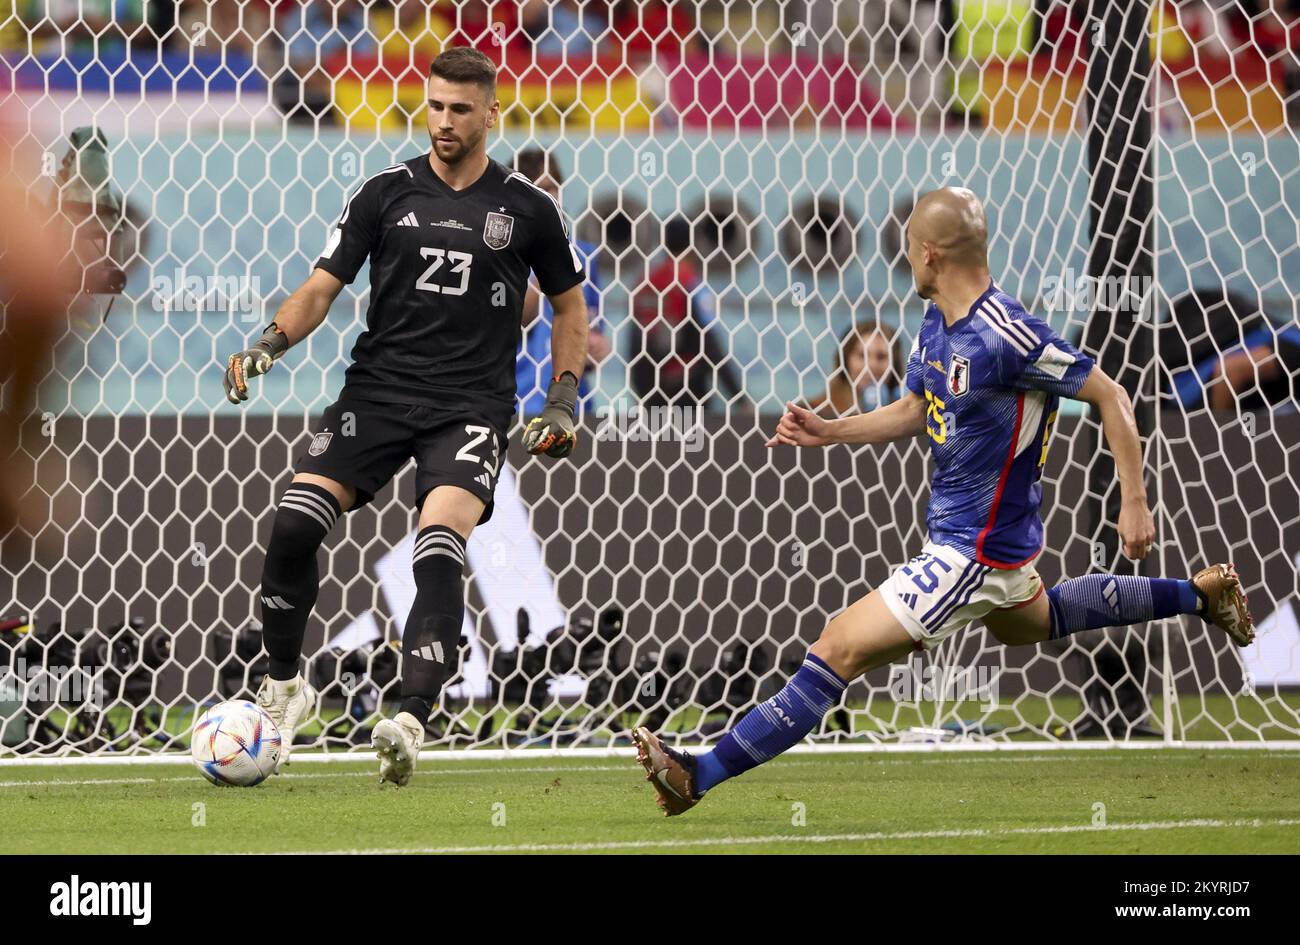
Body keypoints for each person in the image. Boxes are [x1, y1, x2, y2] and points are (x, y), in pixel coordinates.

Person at [631, 186, 1256, 815]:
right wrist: (831, 431)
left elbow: (1111, 395)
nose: (905, 259)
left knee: (837, 646)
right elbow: (913, 409)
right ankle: (1201, 596)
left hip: (973, 553)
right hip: (983, 548)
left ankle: (699, 773)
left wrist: (1135, 501)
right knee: (1039, 620)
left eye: (907, 247)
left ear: (929, 253)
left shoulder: (1007, 334)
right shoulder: (937, 321)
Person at [222, 47, 588, 786]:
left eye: (460, 108)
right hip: (376, 395)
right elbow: (322, 287)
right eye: (435, 105)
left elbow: (569, 303)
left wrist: (562, 396)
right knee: (293, 523)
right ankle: (286, 689)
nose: (444, 121)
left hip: (470, 408)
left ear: (491, 112)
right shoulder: (385, 192)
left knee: (437, 544)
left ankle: (411, 717)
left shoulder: (526, 207)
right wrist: (269, 342)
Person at [512, 147, 608, 416]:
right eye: (539, 189)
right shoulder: (505, 255)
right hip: (519, 403)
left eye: (552, 188)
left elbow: (592, 326)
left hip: (574, 405)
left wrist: (597, 345)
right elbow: (517, 317)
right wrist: (550, 260)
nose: (548, 197)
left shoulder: (586, 255)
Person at [628, 216, 746, 410]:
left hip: (651, 389)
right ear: (694, 244)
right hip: (688, 387)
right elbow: (709, 343)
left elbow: (635, 342)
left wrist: (641, 393)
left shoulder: (644, 283)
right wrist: (739, 397)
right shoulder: (690, 281)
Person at [807, 319, 903, 416]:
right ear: (844, 360)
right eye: (862, 355)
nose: (872, 365)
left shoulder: (904, 417)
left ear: (895, 363)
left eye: (881, 356)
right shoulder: (812, 413)